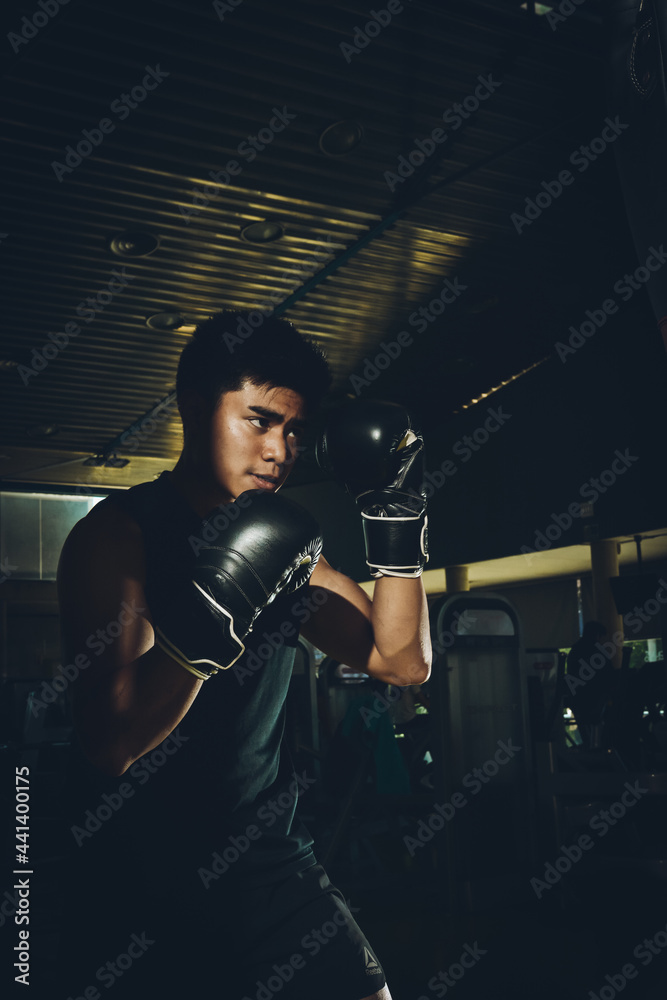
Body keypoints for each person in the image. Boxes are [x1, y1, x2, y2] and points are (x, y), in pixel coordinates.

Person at [55, 311, 432, 1000]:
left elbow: (400, 662)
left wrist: (395, 517)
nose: (278, 451)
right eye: (258, 421)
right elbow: (110, 742)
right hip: (140, 880)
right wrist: (214, 613)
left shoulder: (289, 549)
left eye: (292, 430)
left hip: (271, 871)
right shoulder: (118, 536)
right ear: (195, 411)